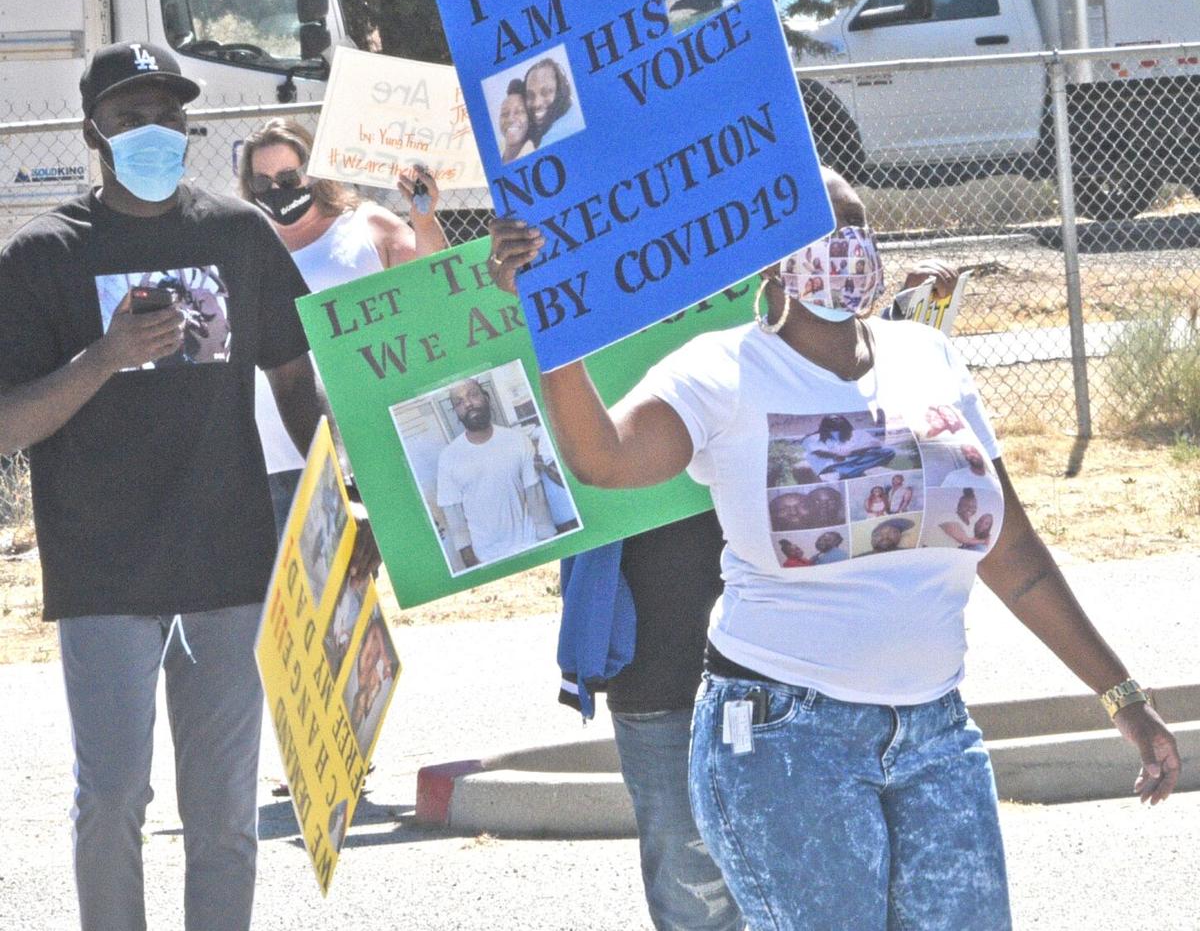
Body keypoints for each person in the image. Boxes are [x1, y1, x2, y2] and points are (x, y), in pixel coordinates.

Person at [488, 166, 1181, 931]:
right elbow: (604, 456)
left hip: (935, 733)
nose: (841, 247)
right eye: (816, 232)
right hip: (784, 740)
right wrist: (549, 316)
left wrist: (1122, 695)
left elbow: (1013, 553)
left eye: (855, 227)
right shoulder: (721, 371)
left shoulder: (928, 357)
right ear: (767, 259)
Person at [0, 42, 377, 931]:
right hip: (104, 572)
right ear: (95, 132)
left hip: (228, 564)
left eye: (169, 115)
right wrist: (105, 357)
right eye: (133, 118)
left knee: (224, 817)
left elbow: (292, 379)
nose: (155, 133)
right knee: (113, 801)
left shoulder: (236, 232)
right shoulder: (41, 254)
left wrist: (338, 507)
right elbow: (8, 422)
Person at [237, 117, 446, 533]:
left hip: (362, 443)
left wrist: (424, 219)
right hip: (271, 454)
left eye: (288, 177)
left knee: (353, 579)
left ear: (313, 172)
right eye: (262, 184)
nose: (277, 191)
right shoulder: (244, 239)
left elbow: (435, 285)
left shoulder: (364, 224)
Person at [436, 378, 555, 569]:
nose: (467, 403)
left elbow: (536, 499)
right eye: (458, 402)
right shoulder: (448, 458)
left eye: (472, 394)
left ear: (486, 397)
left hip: (530, 545)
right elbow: (456, 521)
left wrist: (548, 543)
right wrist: (473, 565)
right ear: (456, 413)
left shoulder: (518, 441)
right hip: (486, 559)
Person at [523, 55, 585, 149]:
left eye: (546, 92)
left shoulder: (551, 139)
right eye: (530, 95)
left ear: (561, 91)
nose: (537, 103)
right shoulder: (576, 111)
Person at [496, 78, 535, 163]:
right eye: (504, 113)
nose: (510, 119)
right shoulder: (497, 149)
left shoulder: (534, 154)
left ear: (530, 118)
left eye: (518, 112)